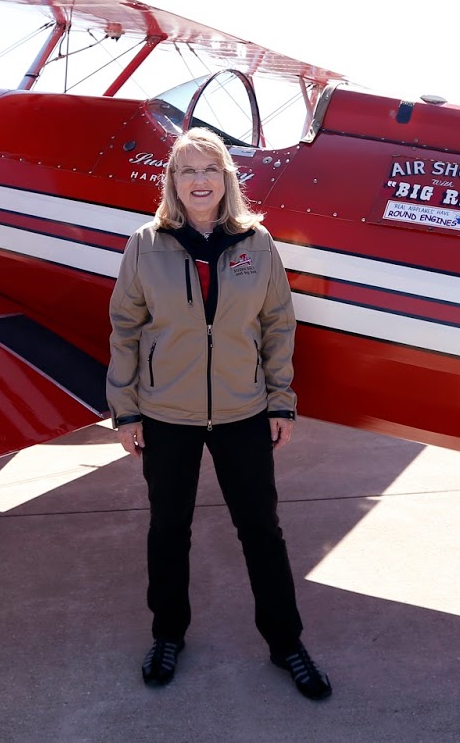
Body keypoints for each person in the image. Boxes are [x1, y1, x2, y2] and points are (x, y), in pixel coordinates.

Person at [106, 128, 331, 700]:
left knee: (261, 530)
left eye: (210, 169)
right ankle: (167, 635)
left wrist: (280, 398)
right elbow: (126, 330)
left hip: (242, 412)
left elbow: (278, 323)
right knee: (168, 530)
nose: (199, 181)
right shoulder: (145, 244)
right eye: (187, 171)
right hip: (166, 414)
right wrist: (126, 412)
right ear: (173, 183)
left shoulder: (257, 242)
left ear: (226, 178)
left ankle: (287, 644)